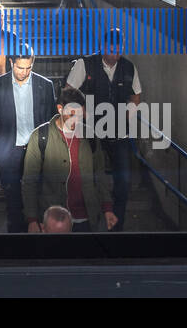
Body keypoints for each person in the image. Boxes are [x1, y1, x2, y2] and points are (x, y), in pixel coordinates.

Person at [65, 29, 141, 231]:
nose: (115, 54)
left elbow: (136, 96)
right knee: (88, 179)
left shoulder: (128, 67)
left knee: (123, 183)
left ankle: (116, 228)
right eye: (111, 50)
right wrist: (82, 113)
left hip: (119, 133)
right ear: (103, 47)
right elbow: (68, 92)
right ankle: (88, 223)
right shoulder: (85, 64)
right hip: (90, 133)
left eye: (119, 50)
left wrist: (127, 116)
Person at [0, 44, 57, 233]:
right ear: (11, 63)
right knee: (13, 205)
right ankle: (17, 248)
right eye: (20, 67)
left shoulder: (45, 85)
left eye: (29, 67)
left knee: (39, 201)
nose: (24, 72)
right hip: (9, 153)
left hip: (38, 152)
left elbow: (53, 122)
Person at [22, 87, 116, 233]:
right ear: (60, 109)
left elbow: (100, 175)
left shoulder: (89, 135)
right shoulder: (40, 136)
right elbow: (29, 181)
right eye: (71, 114)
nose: (75, 119)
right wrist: (32, 219)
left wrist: (107, 208)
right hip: (54, 221)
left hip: (86, 217)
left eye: (79, 114)